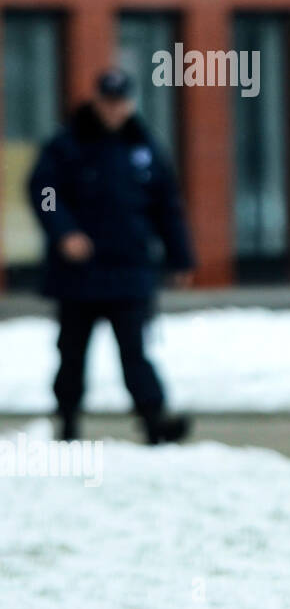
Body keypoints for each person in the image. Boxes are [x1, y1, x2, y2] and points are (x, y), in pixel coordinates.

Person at [27, 69, 196, 444]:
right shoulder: (67, 144)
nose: (115, 110)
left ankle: (154, 420)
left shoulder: (145, 147)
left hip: (130, 269)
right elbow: (44, 193)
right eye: (109, 102)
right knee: (72, 354)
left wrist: (180, 257)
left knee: (136, 351)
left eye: (121, 102)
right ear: (97, 101)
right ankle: (67, 421)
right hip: (78, 273)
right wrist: (64, 231)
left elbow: (167, 206)